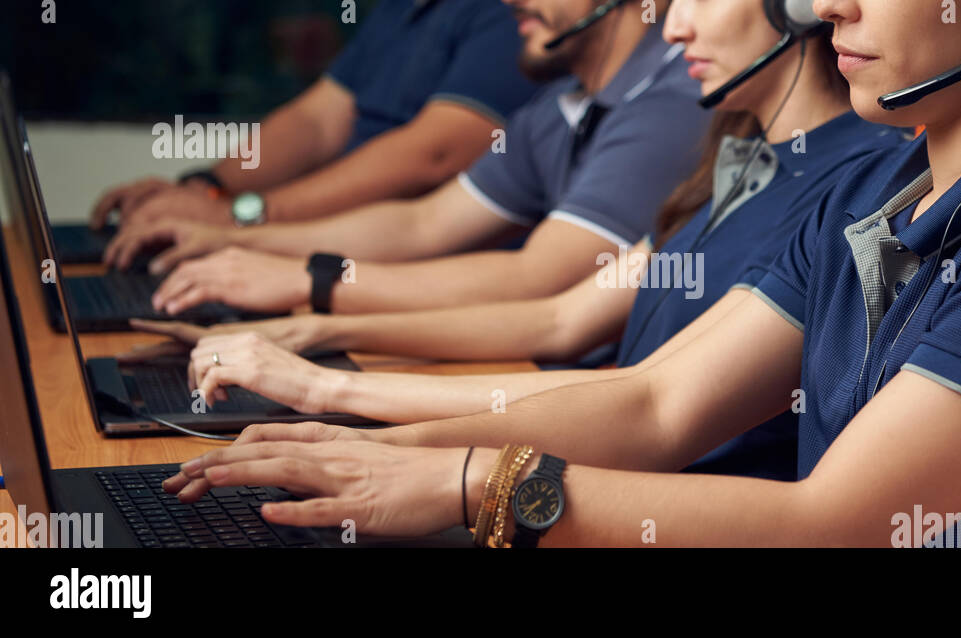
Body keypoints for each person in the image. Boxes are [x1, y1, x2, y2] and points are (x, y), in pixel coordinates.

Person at [165, 0, 961, 548]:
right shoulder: (875, 198)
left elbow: (836, 521)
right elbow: (659, 401)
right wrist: (352, 447)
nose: (828, 8)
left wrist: (466, 485)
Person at [122, 0, 910, 481]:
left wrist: (341, 398)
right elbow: (564, 321)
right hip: (588, 469)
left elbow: (645, 406)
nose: (671, 27)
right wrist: (320, 337)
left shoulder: (856, 182)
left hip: (629, 496)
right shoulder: (732, 160)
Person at [104, 0, 711, 319]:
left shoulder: (669, 107)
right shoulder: (558, 104)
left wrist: (309, 283)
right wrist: (241, 238)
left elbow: (535, 280)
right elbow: (419, 223)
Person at [92, 0, 539, 232]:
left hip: (420, 268)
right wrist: (208, 188)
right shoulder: (402, 8)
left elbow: (435, 153)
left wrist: (242, 216)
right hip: (348, 247)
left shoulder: (514, 14)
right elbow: (318, 119)